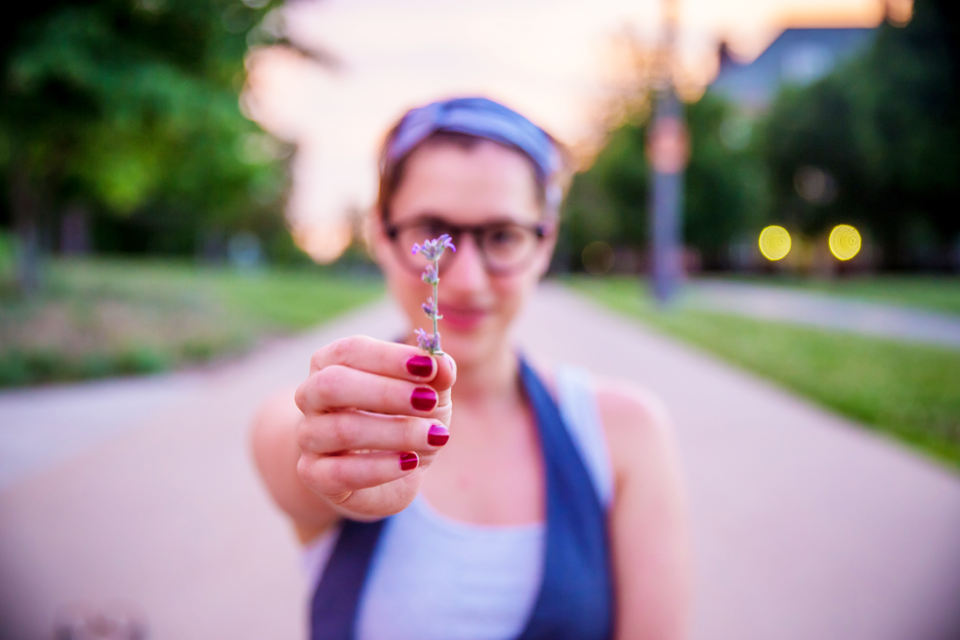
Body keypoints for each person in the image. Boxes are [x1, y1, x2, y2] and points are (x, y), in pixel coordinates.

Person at [251, 97, 691, 640]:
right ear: (381, 233)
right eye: (433, 231)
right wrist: (329, 454)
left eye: (502, 236)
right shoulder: (328, 406)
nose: (463, 281)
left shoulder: (625, 433)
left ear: (544, 242)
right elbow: (288, 445)